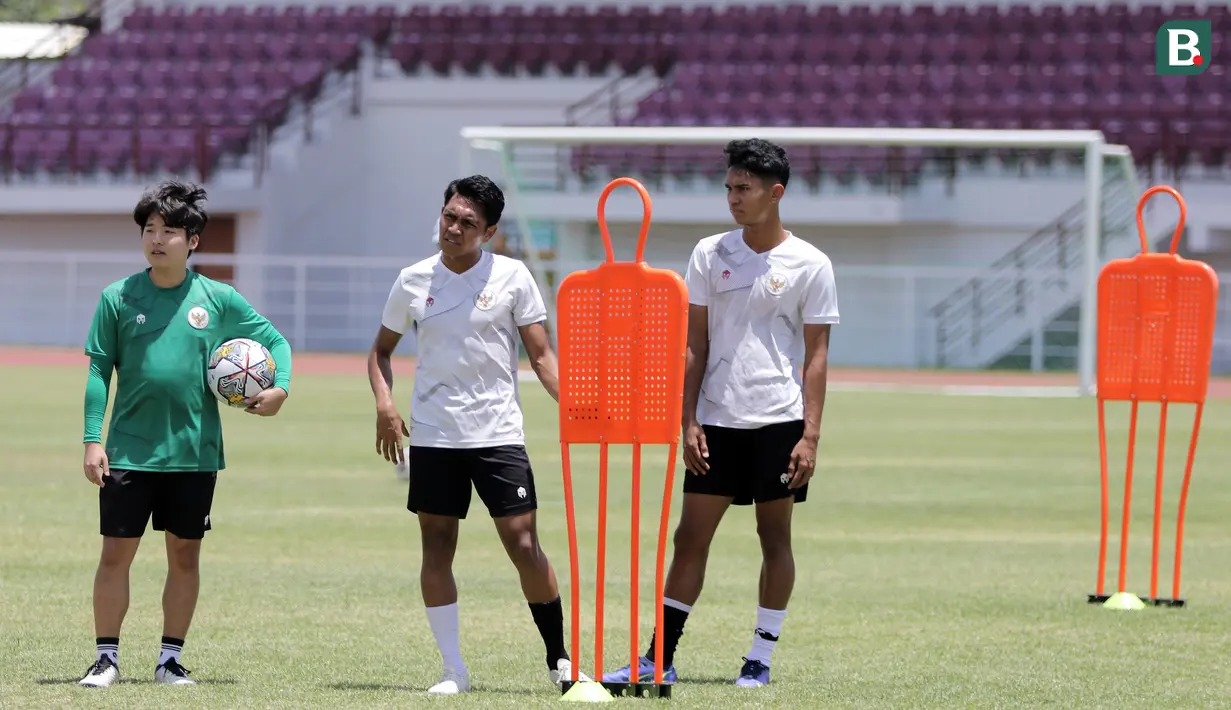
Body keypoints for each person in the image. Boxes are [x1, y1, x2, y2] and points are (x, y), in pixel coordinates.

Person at [604, 139, 839, 688]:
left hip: (779, 421)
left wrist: (810, 436)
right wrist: (686, 420)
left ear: (775, 193)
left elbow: (817, 357)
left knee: (774, 538)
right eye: (729, 187)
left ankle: (759, 657)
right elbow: (694, 345)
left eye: (744, 188)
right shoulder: (709, 253)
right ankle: (659, 658)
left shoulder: (812, 263)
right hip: (715, 421)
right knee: (689, 537)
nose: (733, 198)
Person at [368, 174, 588, 695]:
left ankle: (559, 660)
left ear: (488, 232)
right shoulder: (413, 280)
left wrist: (580, 408)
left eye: (468, 223)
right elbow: (380, 351)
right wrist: (384, 404)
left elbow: (542, 356)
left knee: (524, 543)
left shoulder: (513, 276)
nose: (454, 228)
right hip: (435, 436)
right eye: (449, 216)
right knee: (437, 547)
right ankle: (453, 671)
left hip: (498, 434)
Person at [77, 180, 293, 688]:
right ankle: (106, 659)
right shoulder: (117, 297)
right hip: (129, 452)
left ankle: (169, 661)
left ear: (192, 241)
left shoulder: (218, 298)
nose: (157, 239)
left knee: (184, 556)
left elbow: (276, 341)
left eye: (169, 230)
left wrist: (280, 388)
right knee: (115, 555)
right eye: (149, 229)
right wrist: (92, 439)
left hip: (194, 454)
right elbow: (98, 372)